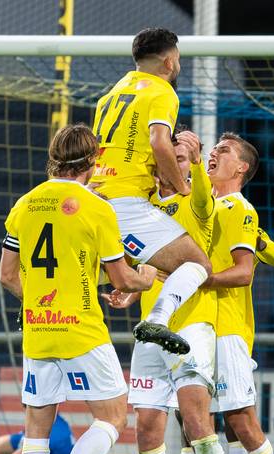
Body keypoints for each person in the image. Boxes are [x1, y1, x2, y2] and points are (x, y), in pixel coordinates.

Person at [0, 123, 156, 454]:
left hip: (37, 329)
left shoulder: (24, 205)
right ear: (95, 159)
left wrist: (40, 304)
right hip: (81, 329)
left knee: (36, 430)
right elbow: (121, 275)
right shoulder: (97, 207)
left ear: (53, 156)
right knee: (112, 416)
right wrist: (144, 278)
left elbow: (7, 275)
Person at [102, 130, 228, 454]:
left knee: (196, 422)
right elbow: (153, 269)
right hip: (150, 332)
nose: (167, 162)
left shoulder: (196, 198)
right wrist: (131, 289)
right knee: (147, 428)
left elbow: (203, 207)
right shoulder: (142, 211)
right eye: (166, 155)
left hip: (191, 326)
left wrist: (192, 164)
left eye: (178, 155)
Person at [89, 27, 213, 356]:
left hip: (95, 194)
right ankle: (156, 319)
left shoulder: (110, 95)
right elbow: (160, 141)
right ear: (169, 62)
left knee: (116, 266)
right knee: (198, 264)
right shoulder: (162, 92)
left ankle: (60, 289)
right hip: (124, 201)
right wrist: (181, 185)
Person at [201, 133, 274, 454]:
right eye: (213, 148)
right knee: (198, 427)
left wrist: (198, 280)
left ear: (241, 169)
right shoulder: (202, 207)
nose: (214, 152)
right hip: (196, 329)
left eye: (225, 150)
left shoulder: (238, 207)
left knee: (241, 423)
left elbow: (245, 271)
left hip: (227, 330)